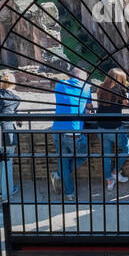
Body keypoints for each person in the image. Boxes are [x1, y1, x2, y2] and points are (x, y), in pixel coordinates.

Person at [51, 66, 92, 199]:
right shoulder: (86, 88)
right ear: (82, 78)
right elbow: (88, 108)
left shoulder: (59, 85)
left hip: (57, 130)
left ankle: (69, 192)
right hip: (73, 132)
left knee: (63, 161)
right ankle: (59, 174)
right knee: (83, 156)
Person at [95, 68, 129, 191]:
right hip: (114, 128)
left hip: (101, 127)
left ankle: (109, 179)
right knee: (126, 148)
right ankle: (116, 172)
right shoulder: (119, 90)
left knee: (106, 155)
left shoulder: (100, 88)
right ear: (120, 79)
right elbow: (126, 103)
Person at [0, 70, 22, 198]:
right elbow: (11, 109)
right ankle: (7, 193)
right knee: (7, 163)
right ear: (13, 84)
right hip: (7, 132)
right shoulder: (16, 99)